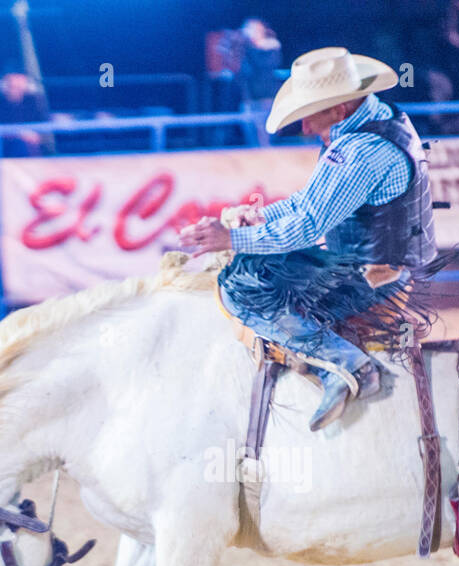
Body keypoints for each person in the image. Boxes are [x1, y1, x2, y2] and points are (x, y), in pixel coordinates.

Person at [180, 46, 437, 431]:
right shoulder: (376, 122)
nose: (303, 128)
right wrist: (261, 217)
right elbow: (308, 204)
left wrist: (232, 239)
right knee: (255, 262)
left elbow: (308, 226)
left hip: (371, 280)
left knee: (240, 286)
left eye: (309, 116)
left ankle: (345, 365)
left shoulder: (359, 154)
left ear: (339, 110)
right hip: (374, 265)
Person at [0, 69, 53, 157]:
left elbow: (43, 122)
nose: (17, 88)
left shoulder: (34, 101)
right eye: (13, 85)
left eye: (19, 85)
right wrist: (19, 134)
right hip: (6, 145)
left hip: (32, 144)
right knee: (20, 146)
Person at [237, 17, 281, 146]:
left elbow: (261, 65)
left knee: (264, 136)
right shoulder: (245, 49)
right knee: (250, 135)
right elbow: (243, 72)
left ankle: (268, 161)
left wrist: (252, 46)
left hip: (265, 97)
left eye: (253, 29)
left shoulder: (271, 47)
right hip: (249, 98)